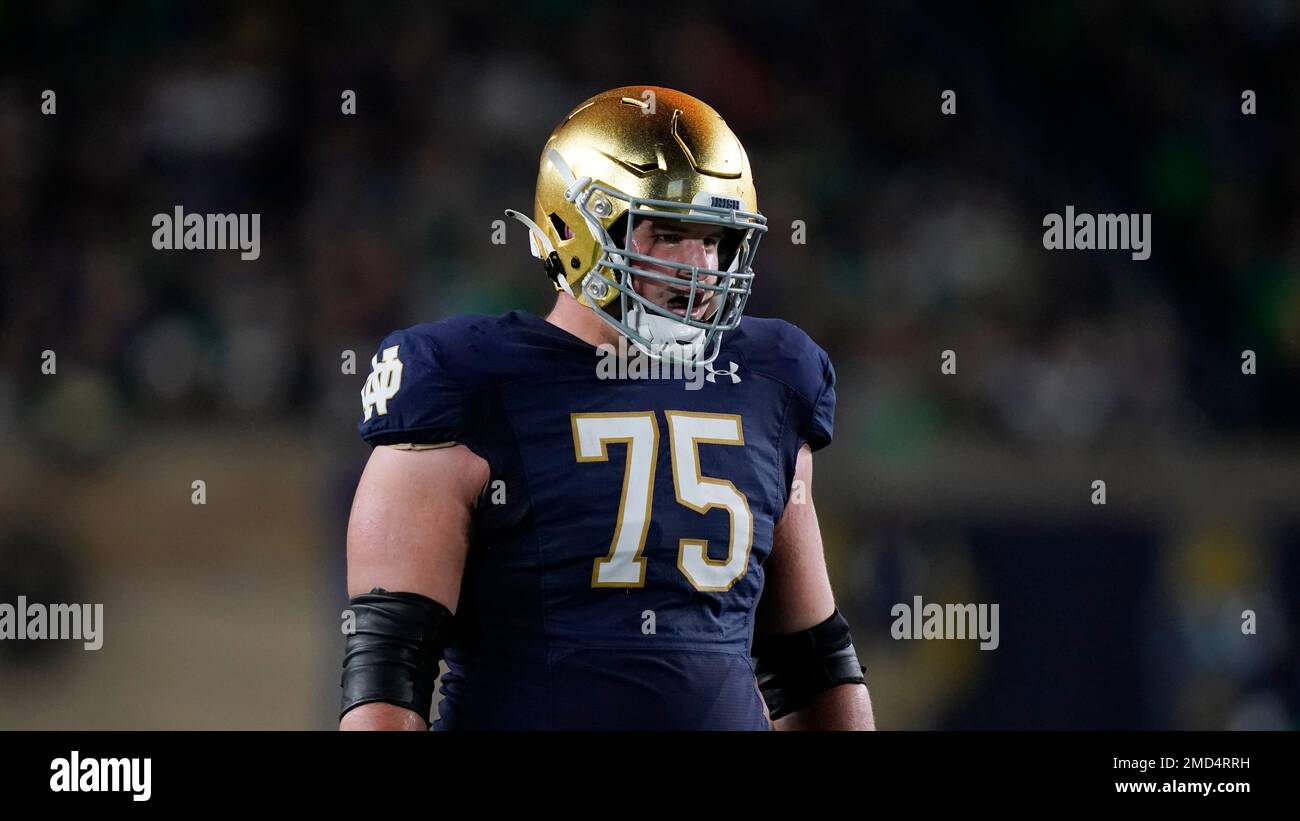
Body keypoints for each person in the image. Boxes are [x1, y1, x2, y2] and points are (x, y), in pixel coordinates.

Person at [340, 86, 874, 730]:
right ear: (575, 229)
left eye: (716, 239)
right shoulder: (466, 379)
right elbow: (389, 673)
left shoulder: (772, 378)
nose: (700, 267)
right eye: (669, 234)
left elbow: (809, 658)